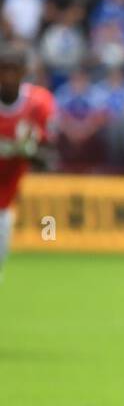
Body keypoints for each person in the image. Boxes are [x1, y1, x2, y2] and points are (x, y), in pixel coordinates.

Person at [0, 43, 57, 277]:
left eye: (13, 70)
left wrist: (26, 149)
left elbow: (50, 159)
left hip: (4, 202)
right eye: (3, 70)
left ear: (24, 72)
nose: (8, 76)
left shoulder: (38, 103)